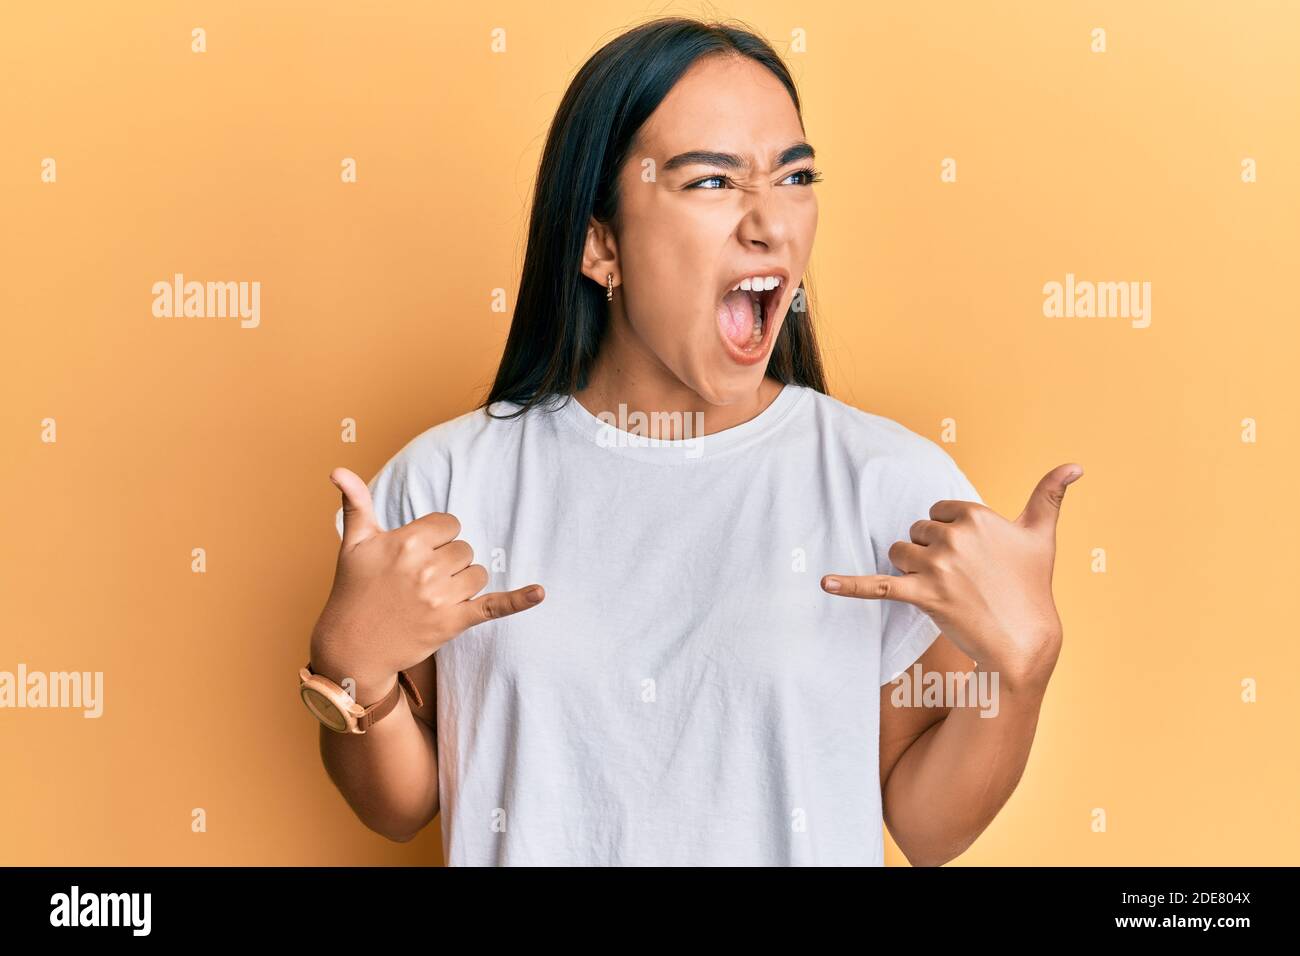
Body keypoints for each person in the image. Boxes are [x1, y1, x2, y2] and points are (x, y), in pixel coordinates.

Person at [306, 16, 1082, 866]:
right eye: (712, 182)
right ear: (602, 243)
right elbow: (403, 805)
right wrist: (351, 667)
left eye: (795, 176)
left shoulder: (888, 485)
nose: (769, 222)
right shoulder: (451, 482)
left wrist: (1023, 671)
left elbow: (929, 828)